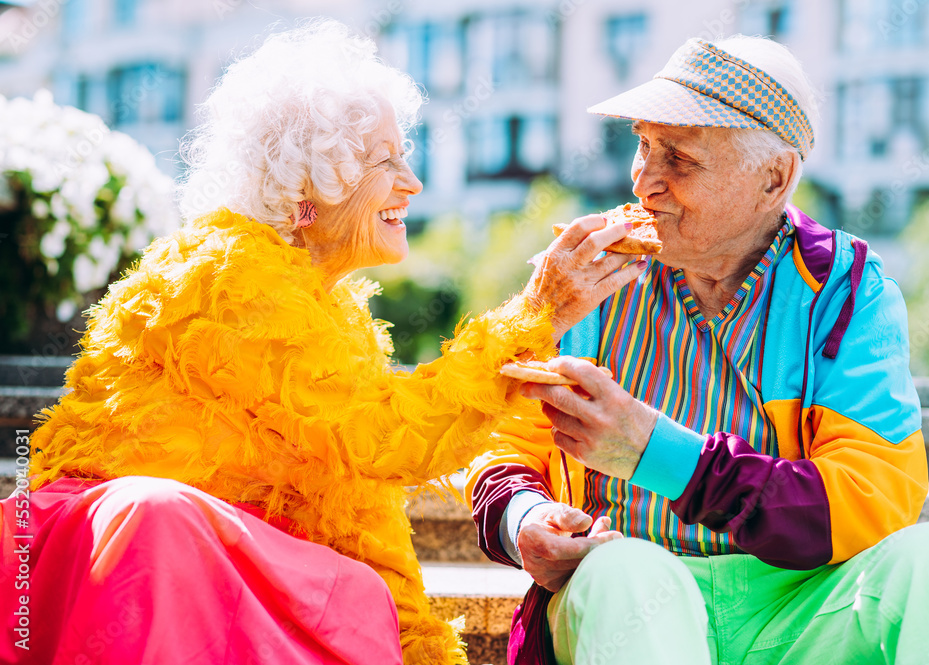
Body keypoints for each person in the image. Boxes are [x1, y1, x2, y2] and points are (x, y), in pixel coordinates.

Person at [0, 21, 646, 665]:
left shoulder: (336, 314)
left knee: (357, 593)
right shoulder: (227, 272)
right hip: (107, 562)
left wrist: (422, 648)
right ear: (307, 188)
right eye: (386, 161)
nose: (412, 184)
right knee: (160, 516)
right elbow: (385, 435)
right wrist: (535, 311)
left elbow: (364, 522)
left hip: (209, 575)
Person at [467, 35, 929, 664]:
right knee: (625, 572)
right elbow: (498, 442)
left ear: (773, 179)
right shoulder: (585, 274)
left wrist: (657, 454)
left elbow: (871, 496)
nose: (644, 178)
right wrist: (523, 520)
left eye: (680, 158)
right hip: (633, 594)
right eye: (643, 144)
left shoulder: (848, 287)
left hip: (805, 606)